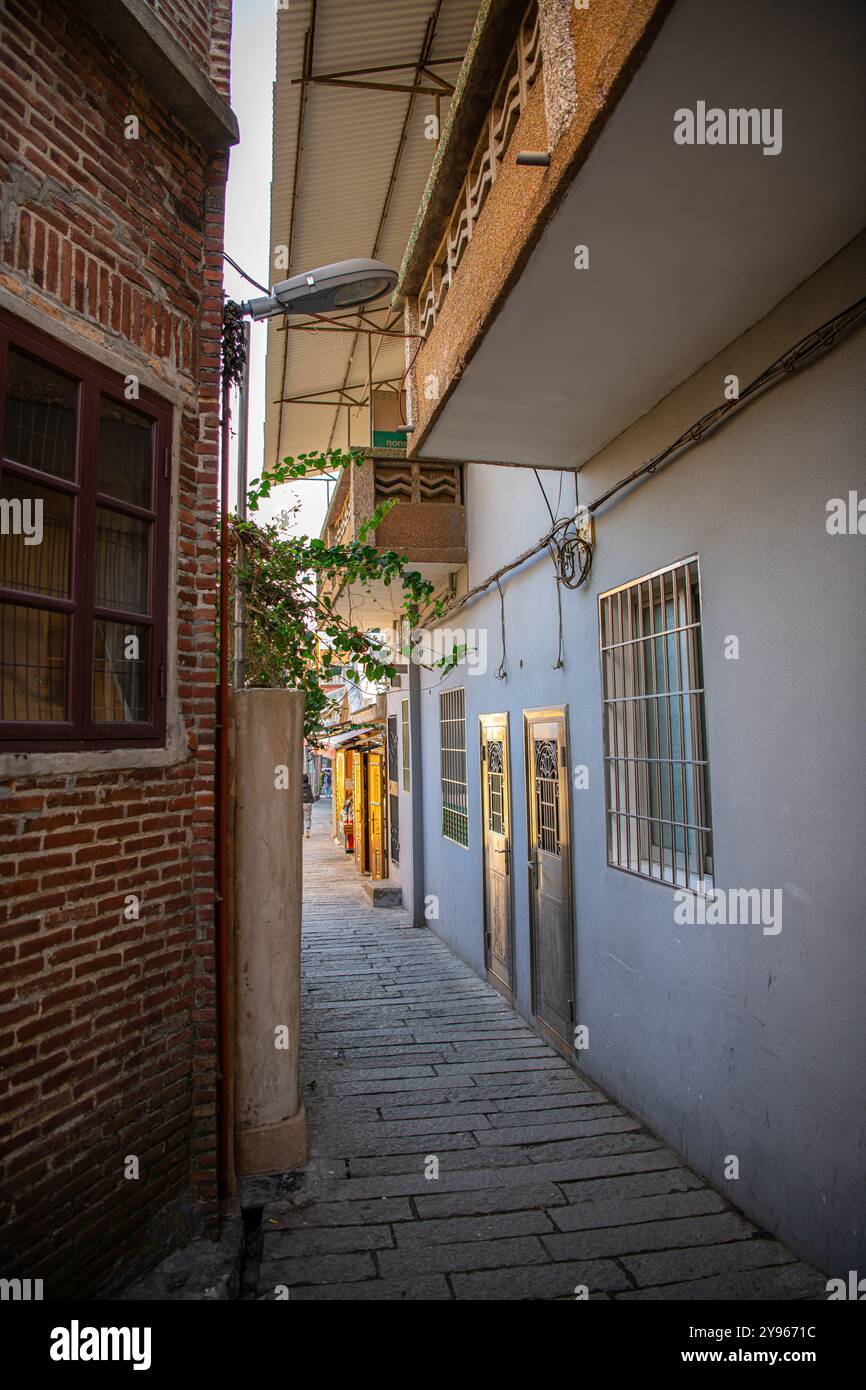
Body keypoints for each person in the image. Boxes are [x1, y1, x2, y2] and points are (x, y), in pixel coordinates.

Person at [302, 772, 315, 838]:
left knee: (300, 818)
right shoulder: (309, 786)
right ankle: (307, 830)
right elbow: (311, 795)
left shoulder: (298, 786)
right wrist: (311, 801)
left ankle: (301, 831)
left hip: (300, 804)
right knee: (307, 818)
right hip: (307, 804)